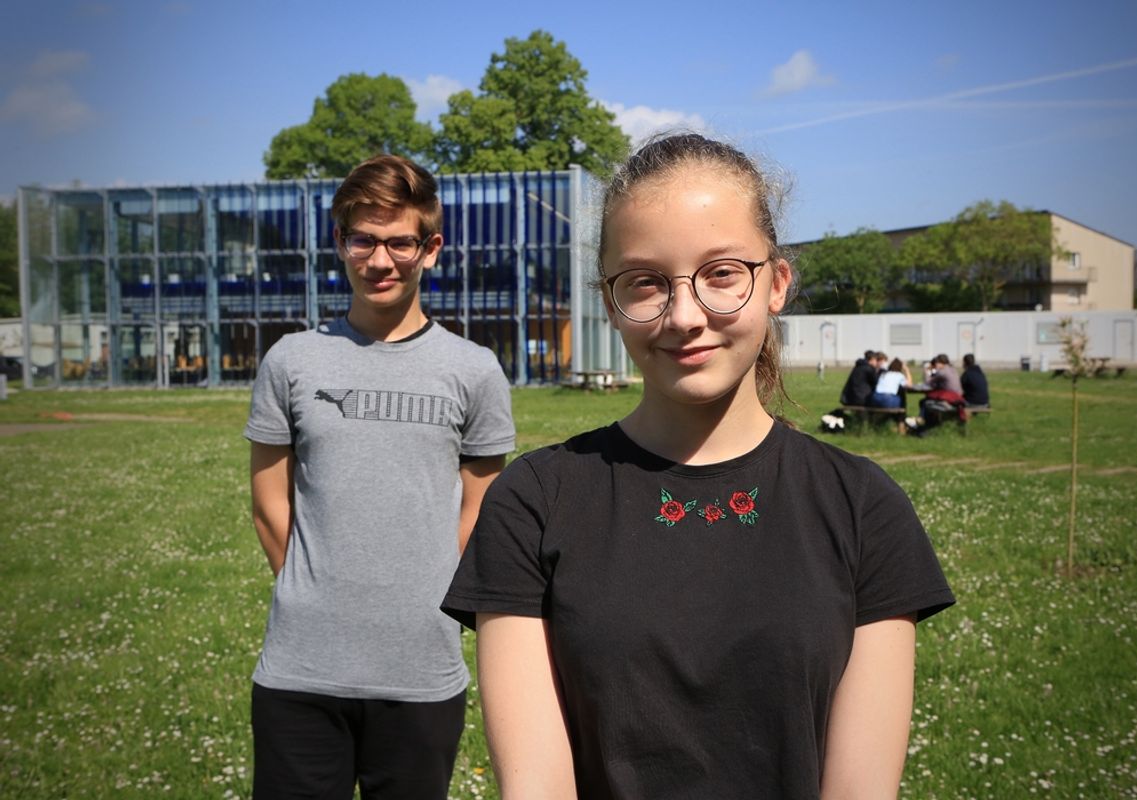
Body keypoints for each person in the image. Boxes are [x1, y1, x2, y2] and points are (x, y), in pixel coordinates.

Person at [442, 134, 955, 798]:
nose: (685, 316)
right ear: (610, 303)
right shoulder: (534, 502)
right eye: (645, 282)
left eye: (721, 273)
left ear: (776, 283)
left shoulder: (862, 506)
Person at [244, 154, 516, 799]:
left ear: (431, 249)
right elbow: (268, 501)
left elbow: (479, 514)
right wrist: (315, 593)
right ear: (340, 242)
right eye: (363, 240)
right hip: (300, 671)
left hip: (420, 671)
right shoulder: (292, 360)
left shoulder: (474, 371)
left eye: (400, 243)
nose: (380, 260)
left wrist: (420, 600)